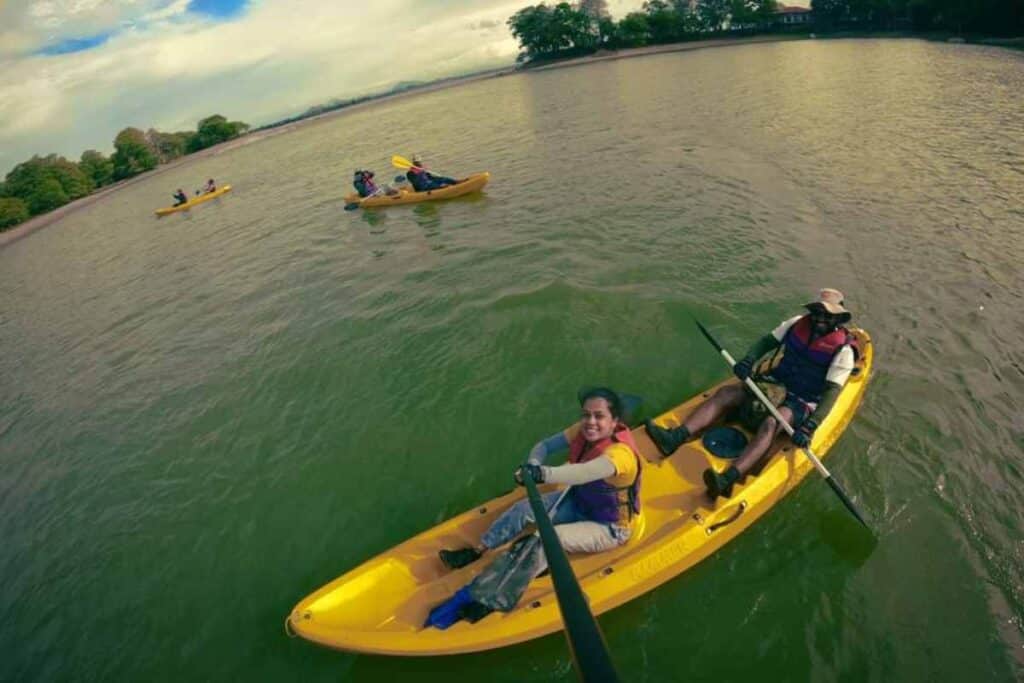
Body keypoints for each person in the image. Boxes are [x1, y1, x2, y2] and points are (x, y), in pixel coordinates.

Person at [644, 288, 859, 499]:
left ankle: (727, 479)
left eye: (827, 315)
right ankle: (674, 438)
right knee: (726, 393)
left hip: (804, 399)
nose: (820, 318)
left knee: (772, 422)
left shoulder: (844, 351)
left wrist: (811, 426)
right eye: (817, 312)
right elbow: (766, 342)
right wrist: (748, 360)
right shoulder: (796, 324)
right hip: (776, 381)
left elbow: (831, 392)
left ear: (837, 318)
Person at [438, 387, 643, 571]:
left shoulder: (620, 455)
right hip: (578, 502)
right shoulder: (582, 430)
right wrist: (533, 466)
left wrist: (541, 475)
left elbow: (584, 473)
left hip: (609, 527)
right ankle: (477, 551)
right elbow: (543, 446)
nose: (590, 422)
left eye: (599, 416)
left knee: (549, 539)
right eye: (586, 415)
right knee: (522, 510)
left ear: (615, 422)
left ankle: (505, 590)